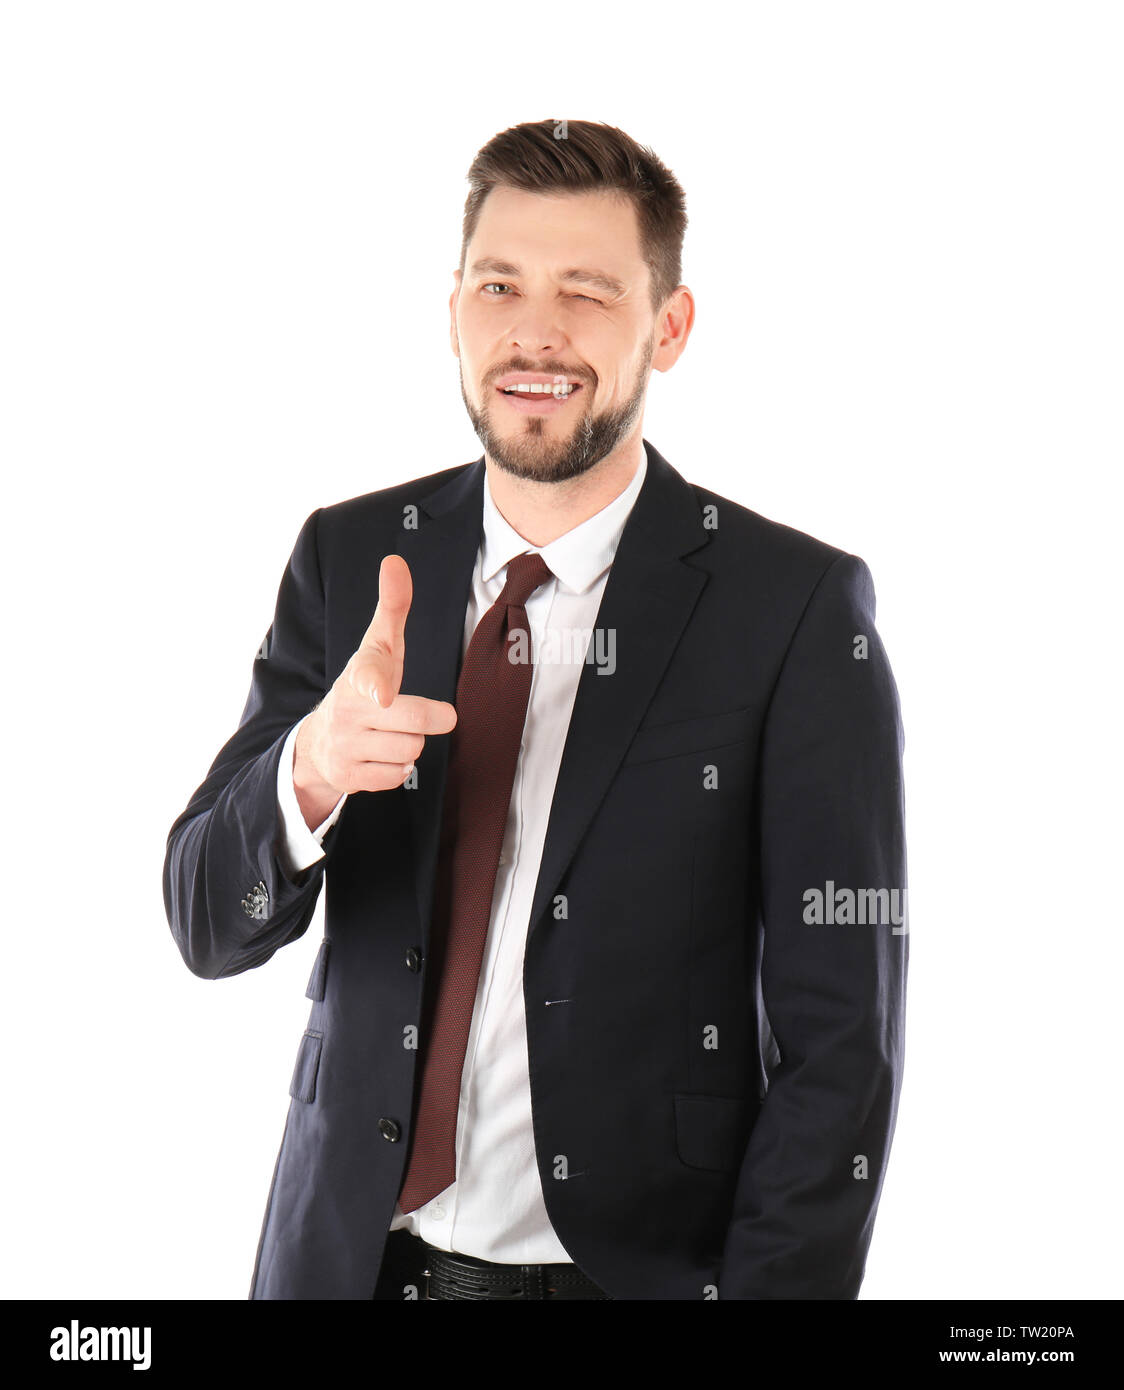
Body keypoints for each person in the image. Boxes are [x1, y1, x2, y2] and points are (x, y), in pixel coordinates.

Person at [162, 118, 908, 1301]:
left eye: (587, 292)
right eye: (499, 284)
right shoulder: (351, 555)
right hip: (343, 1267)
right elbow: (206, 920)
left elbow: (841, 1048)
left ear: (668, 327)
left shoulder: (794, 609)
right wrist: (304, 773)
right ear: (451, 307)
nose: (534, 330)